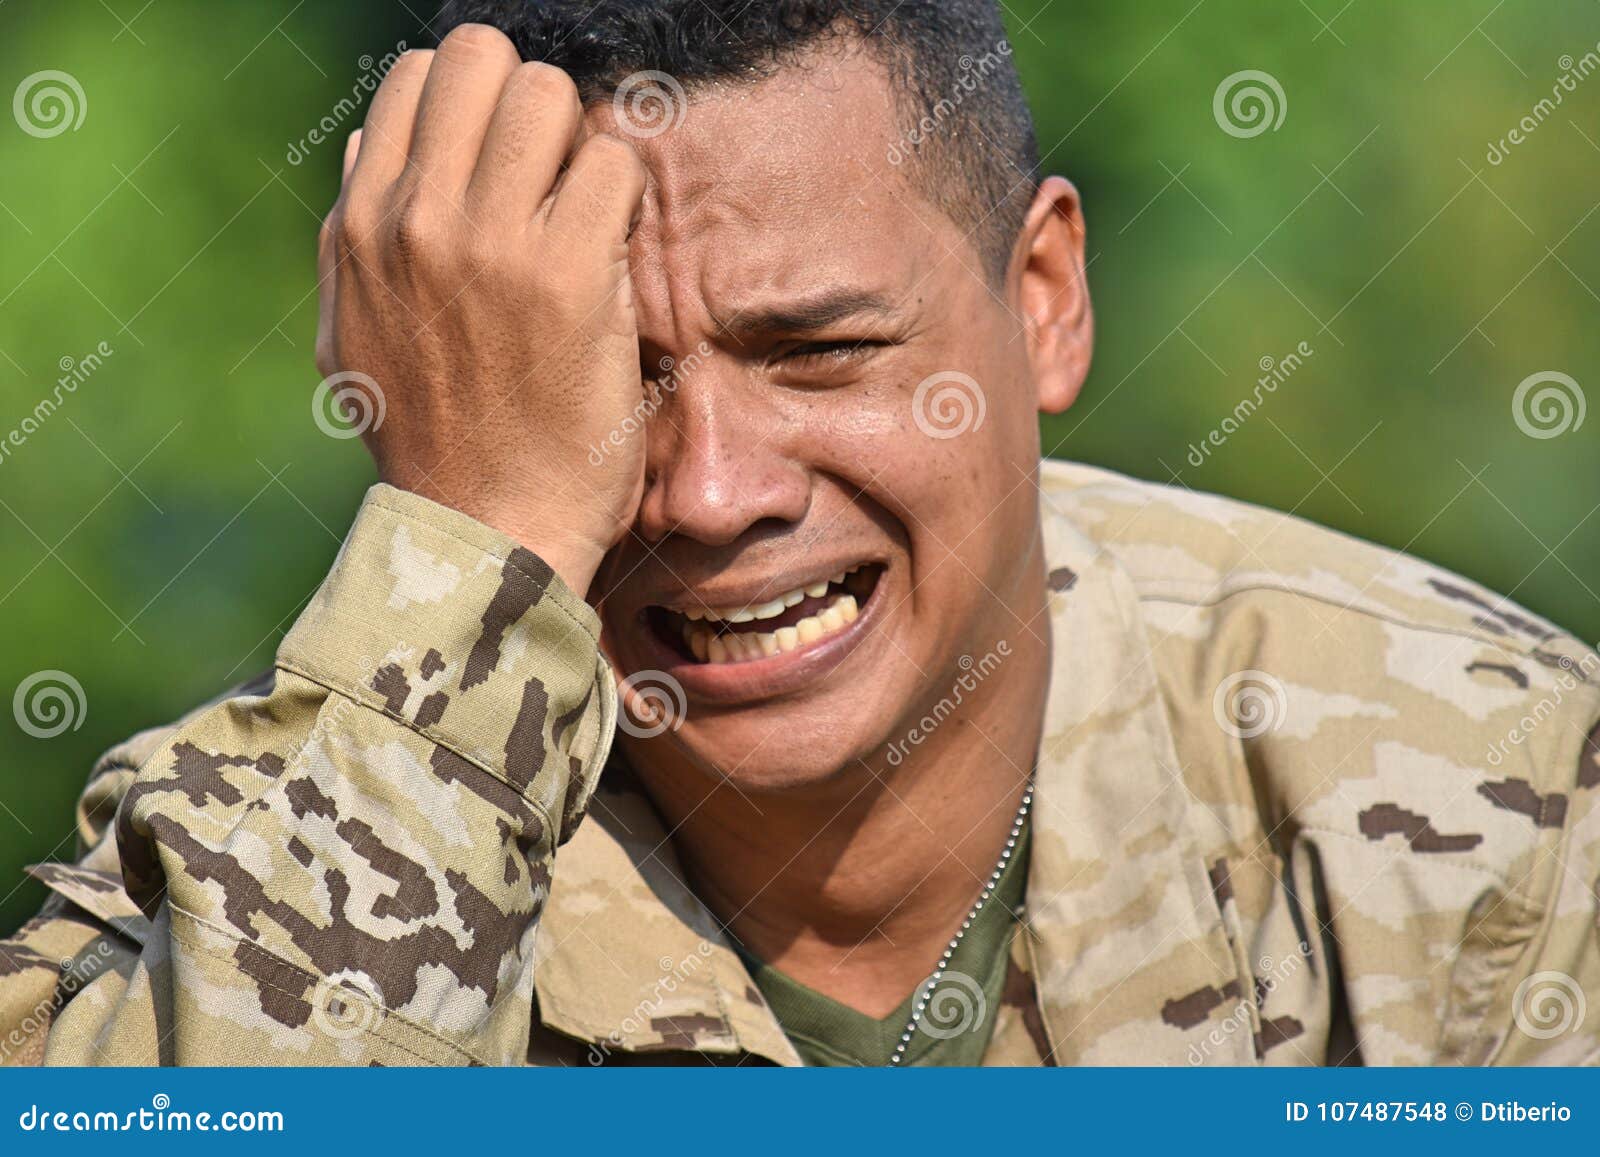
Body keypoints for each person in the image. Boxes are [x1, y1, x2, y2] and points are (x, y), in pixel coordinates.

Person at [1, 1, 1596, 1068]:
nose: (709, 490)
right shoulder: (246, 866)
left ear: (1041, 301)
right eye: (605, 379)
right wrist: (479, 534)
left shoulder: (1499, 791)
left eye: (822, 353)